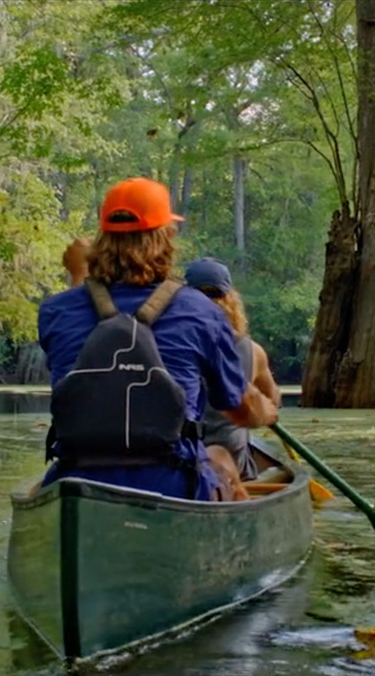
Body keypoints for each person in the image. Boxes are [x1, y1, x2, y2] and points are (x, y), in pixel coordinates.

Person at [38, 177, 279, 501]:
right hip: (173, 482)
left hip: (75, 483)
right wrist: (266, 412)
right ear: (166, 236)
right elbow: (239, 411)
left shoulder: (55, 311)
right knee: (220, 456)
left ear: (102, 239)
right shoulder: (201, 312)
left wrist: (77, 276)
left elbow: (81, 340)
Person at [185, 258, 282, 500]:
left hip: (182, 459)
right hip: (232, 461)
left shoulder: (169, 343)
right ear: (231, 300)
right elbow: (273, 401)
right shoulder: (253, 352)